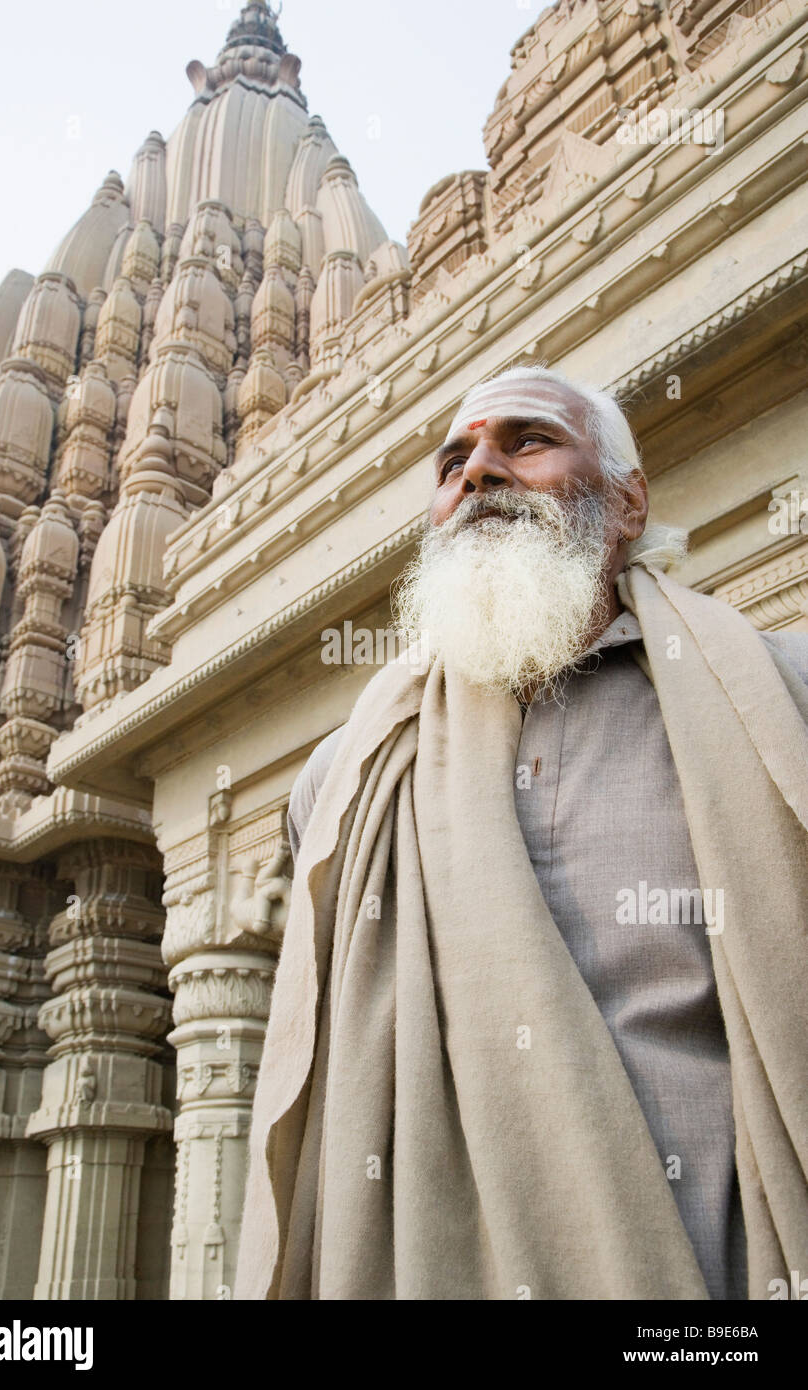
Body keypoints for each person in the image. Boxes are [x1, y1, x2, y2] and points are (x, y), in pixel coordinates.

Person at [234, 364, 808, 1301]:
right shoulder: (344, 781)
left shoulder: (779, 702)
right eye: (453, 460)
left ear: (629, 504)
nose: (479, 473)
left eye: (528, 441)